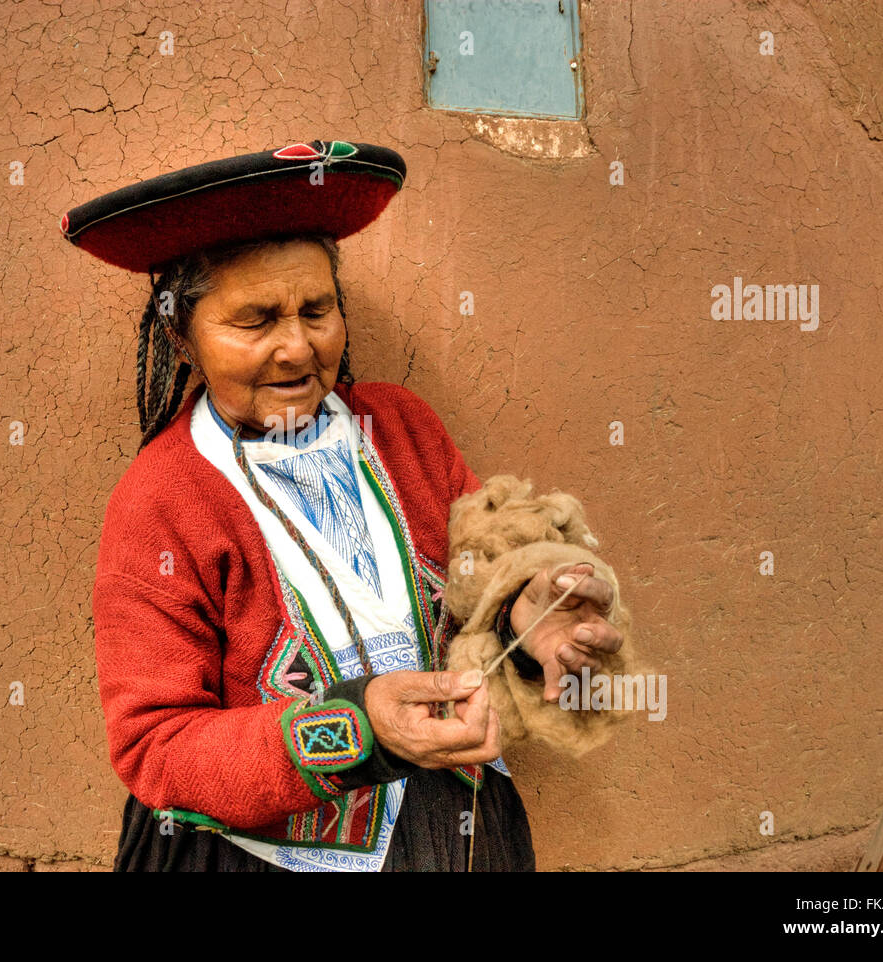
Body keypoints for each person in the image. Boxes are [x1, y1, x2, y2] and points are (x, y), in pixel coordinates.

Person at [61, 140, 624, 871]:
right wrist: (359, 727)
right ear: (181, 337)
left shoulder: (401, 427)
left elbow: (483, 571)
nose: (296, 348)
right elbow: (156, 745)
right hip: (263, 855)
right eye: (256, 321)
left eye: (317, 310)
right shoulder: (162, 498)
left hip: (457, 830)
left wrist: (533, 611)